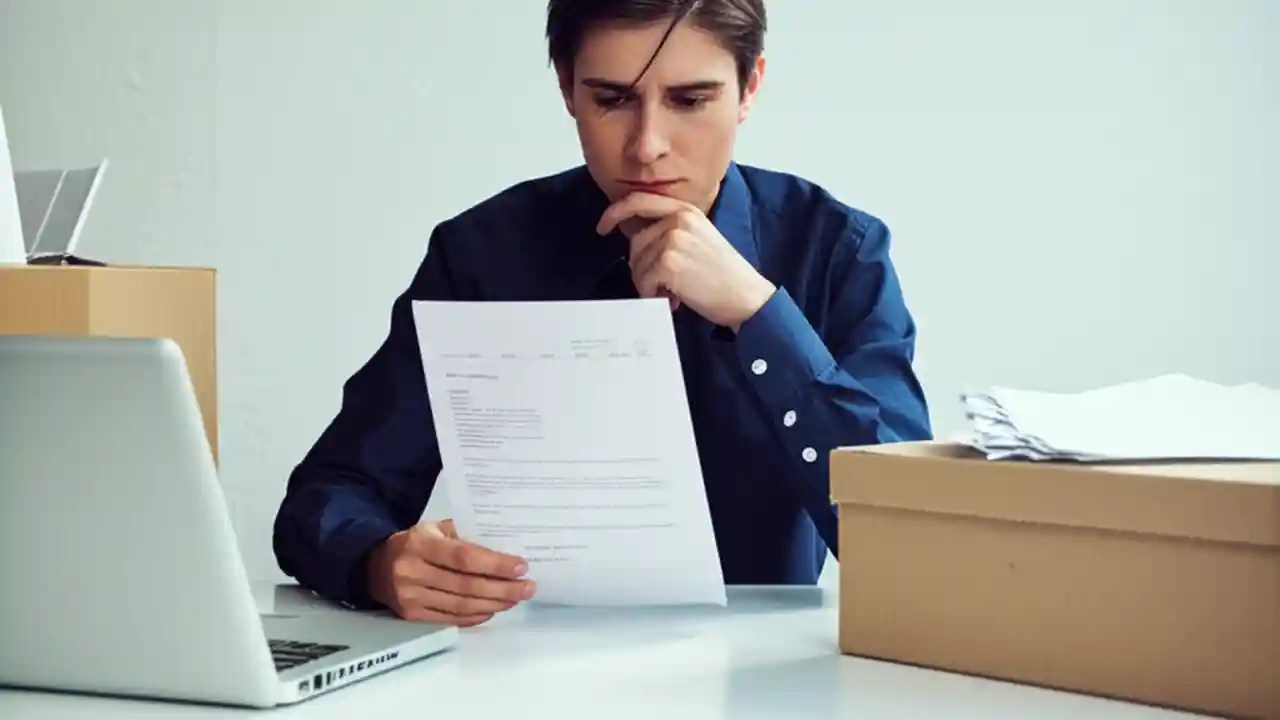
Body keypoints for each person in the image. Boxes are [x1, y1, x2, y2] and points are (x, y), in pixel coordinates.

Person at [273, 0, 932, 627]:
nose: (648, 146)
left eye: (690, 100)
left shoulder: (837, 252)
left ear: (749, 86)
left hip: (769, 682)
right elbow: (328, 498)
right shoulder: (482, 256)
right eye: (612, 99)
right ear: (567, 88)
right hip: (521, 673)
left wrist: (757, 314)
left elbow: (916, 538)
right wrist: (379, 564)